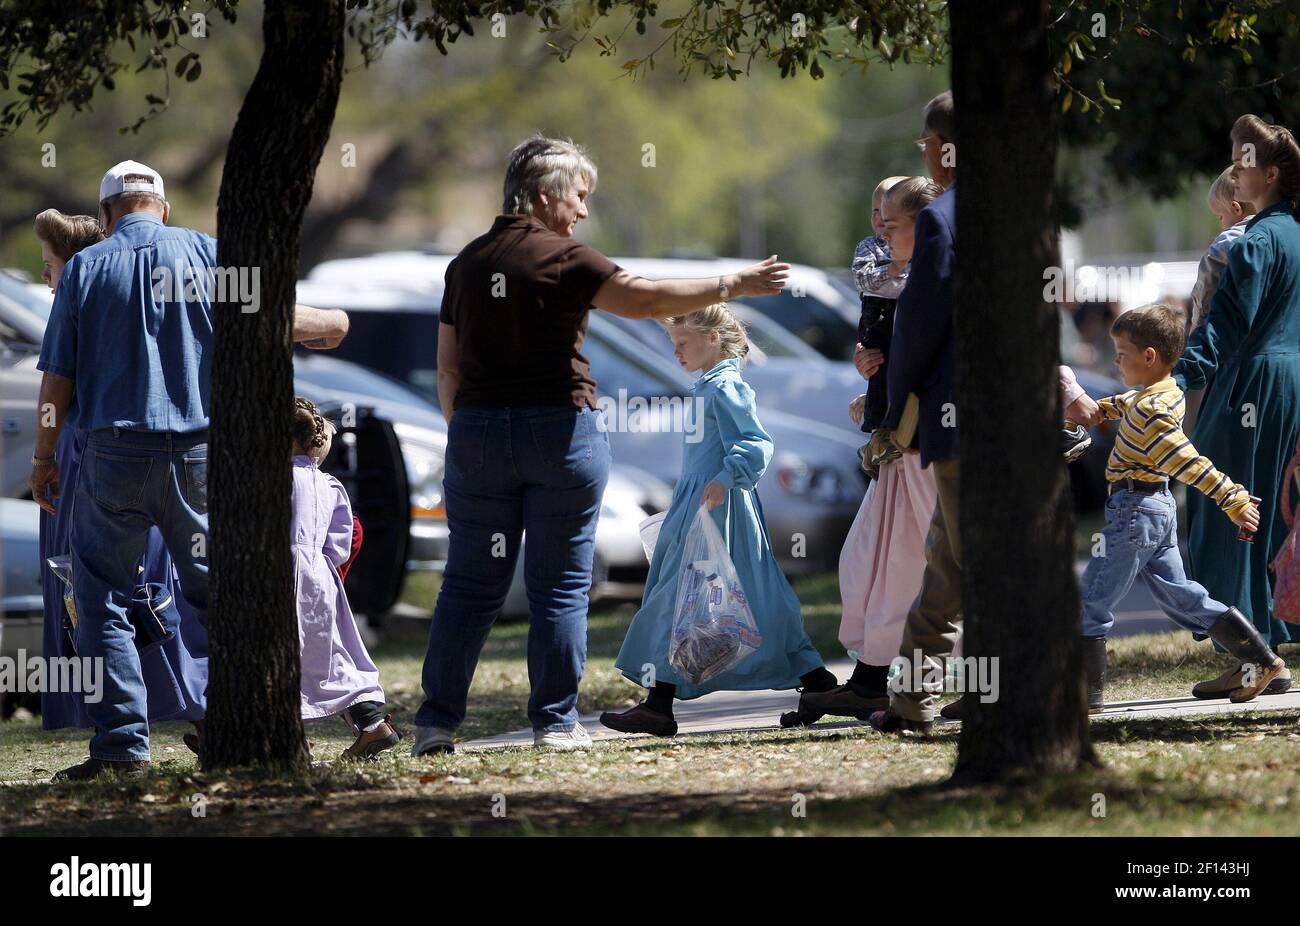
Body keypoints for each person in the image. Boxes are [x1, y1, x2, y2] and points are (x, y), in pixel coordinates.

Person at [411, 135, 791, 755]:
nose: (583, 212)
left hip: (477, 431)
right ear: (546, 195)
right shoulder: (566, 258)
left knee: (469, 584)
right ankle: (555, 724)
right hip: (560, 430)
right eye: (580, 197)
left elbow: (448, 371)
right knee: (559, 583)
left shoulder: (466, 263)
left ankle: (436, 724)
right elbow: (643, 300)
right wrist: (734, 282)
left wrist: (469, 435)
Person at [32, 204, 351, 746]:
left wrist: (43, 459)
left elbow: (55, 384)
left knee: (119, 600)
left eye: (48, 264)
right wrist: (334, 323)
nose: (44, 275)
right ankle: (228, 722)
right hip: (178, 458)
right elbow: (267, 311)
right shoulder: (190, 262)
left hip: (103, 464)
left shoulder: (90, 281)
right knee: (184, 596)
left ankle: (138, 739)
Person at [598, 305, 835, 736]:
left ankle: (658, 704)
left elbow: (756, 444)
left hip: (719, 512)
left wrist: (728, 477)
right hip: (699, 506)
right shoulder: (705, 386)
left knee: (681, 597)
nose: (677, 353)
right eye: (674, 344)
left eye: (683, 343)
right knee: (734, 597)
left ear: (712, 338)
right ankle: (817, 683)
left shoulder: (727, 387)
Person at [1081, 303, 1283, 710]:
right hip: (1151, 510)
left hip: (1135, 513)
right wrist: (1103, 408)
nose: (1116, 360)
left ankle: (1086, 695)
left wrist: (1233, 498)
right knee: (1185, 598)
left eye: (1122, 353)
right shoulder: (1162, 391)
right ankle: (1259, 660)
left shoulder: (1152, 415)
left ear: (1149, 356)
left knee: (1092, 601)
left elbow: (1190, 463)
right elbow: (1130, 401)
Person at [797, 178, 943, 725]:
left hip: (925, 439)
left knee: (918, 564)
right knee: (868, 561)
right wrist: (874, 390)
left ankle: (902, 683)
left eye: (894, 218)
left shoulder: (938, 275)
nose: (881, 226)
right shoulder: (893, 270)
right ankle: (870, 679)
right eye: (876, 212)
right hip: (898, 439)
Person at [1174, 115, 1300, 700]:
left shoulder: (1256, 241)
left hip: (1250, 378)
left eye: (1244, 161)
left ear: (1270, 173)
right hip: (1291, 380)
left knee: (1226, 509)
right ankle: (1263, 647)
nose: (1236, 172)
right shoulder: (1295, 231)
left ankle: (1254, 655)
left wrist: (1178, 380)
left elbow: (1224, 324)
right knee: (1271, 511)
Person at [291, 398, 400, 759]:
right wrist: (327, 567)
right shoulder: (331, 485)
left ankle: (288, 739)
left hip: (284, 572)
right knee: (332, 654)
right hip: (320, 577)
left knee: (283, 654)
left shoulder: (274, 480)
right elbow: (347, 536)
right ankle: (372, 724)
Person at [1188, 166, 1257, 331]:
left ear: (1236, 208)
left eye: (1220, 217)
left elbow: (1206, 287)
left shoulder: (1230, 240)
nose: (1221, 224)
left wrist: (1197, 329)